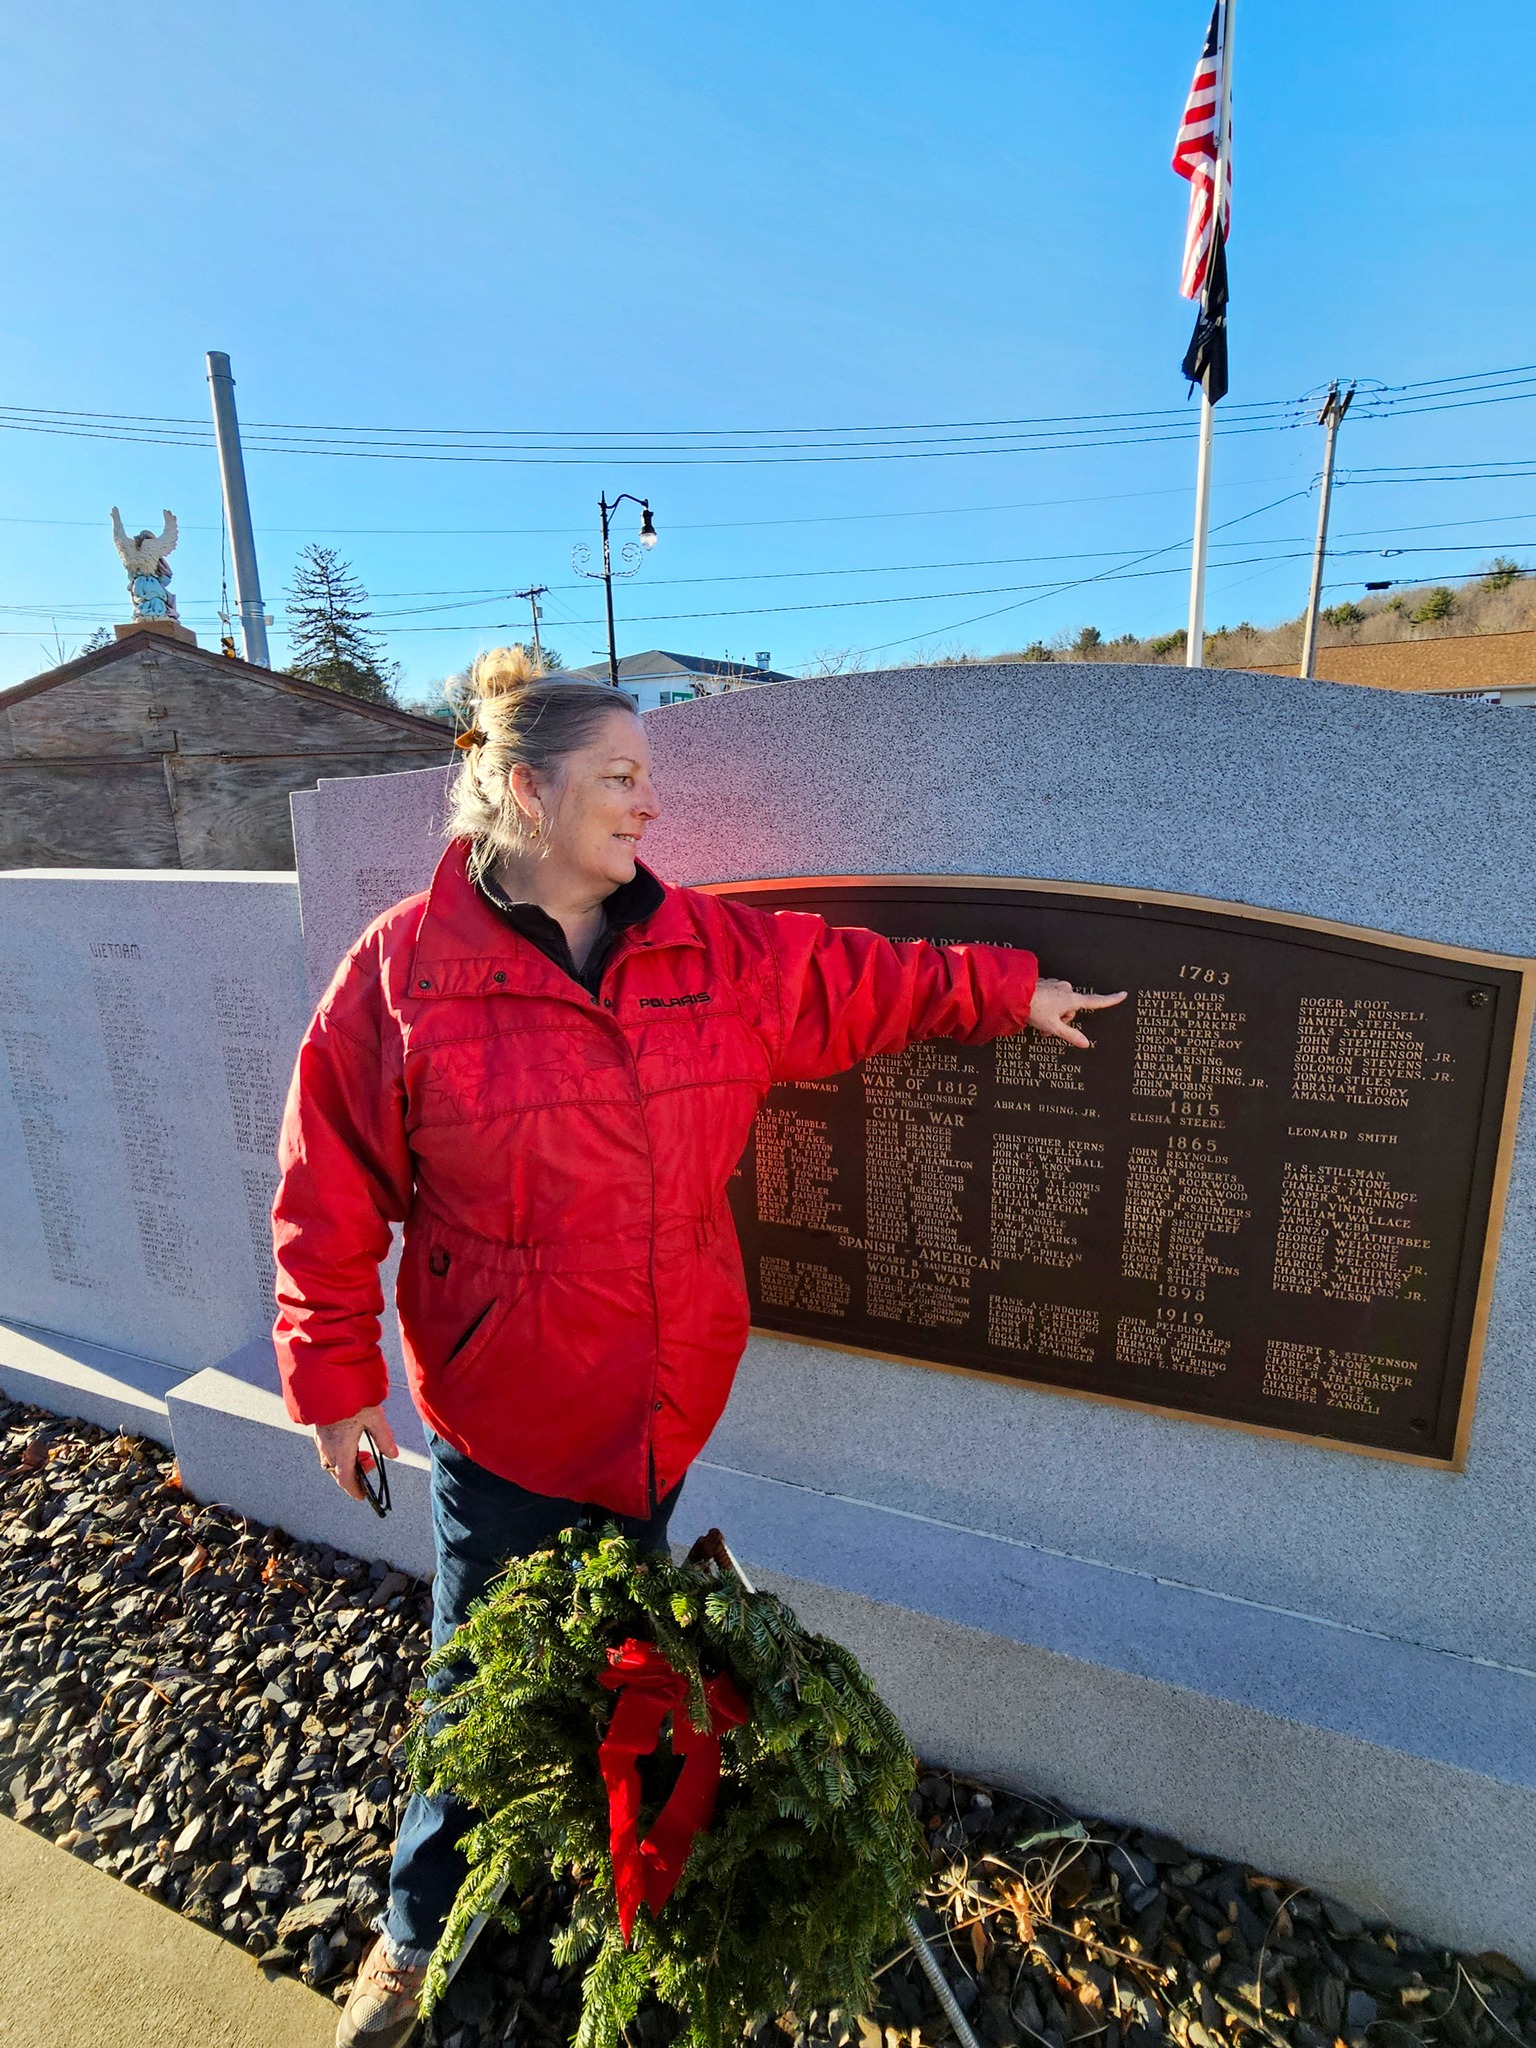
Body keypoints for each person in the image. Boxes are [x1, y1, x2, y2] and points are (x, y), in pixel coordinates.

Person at [269, 647, 1125, 2048]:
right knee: (480, 1674)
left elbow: (855, 980)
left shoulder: (707, 951)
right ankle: (419, 1936)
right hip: (509, 1417)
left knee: (629, 1662)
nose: (649, 804)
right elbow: (329, 1188)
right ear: (527, 792)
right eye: (621, 777)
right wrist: (334, 1379)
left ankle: (616, 1894)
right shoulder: (404, 973)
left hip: (665, 1404)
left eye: (648, 778)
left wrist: (1005, 991)